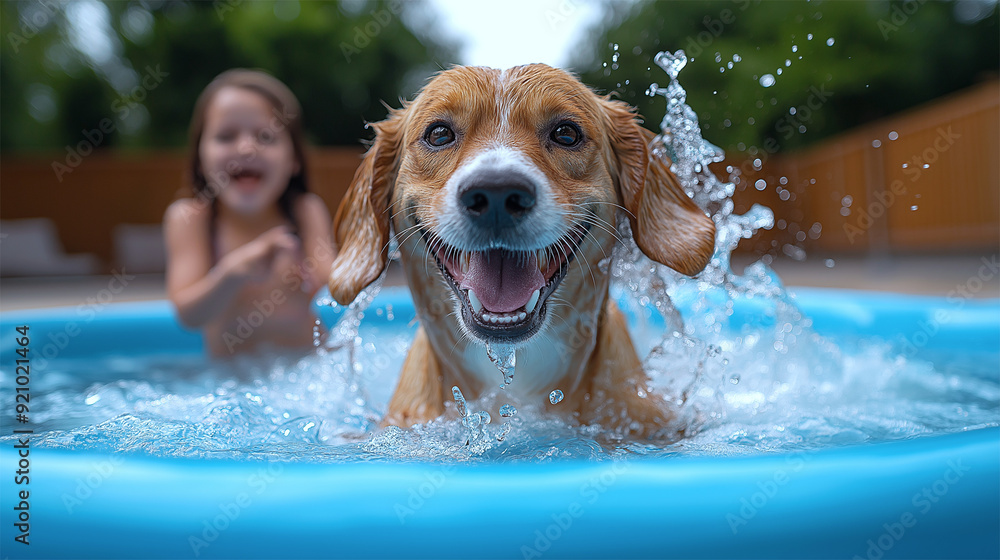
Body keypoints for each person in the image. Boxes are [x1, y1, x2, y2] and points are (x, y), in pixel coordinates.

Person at [163, 69, 334, 356]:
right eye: (226, 136)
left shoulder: (304, 210)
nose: (246, 147)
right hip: (232, 383)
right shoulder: (191, 219)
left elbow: (333, 277)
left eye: (265, 136)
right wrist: (232, 273)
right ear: (200, 158)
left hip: (309, 369)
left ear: (293, 160)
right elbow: (189, 316)